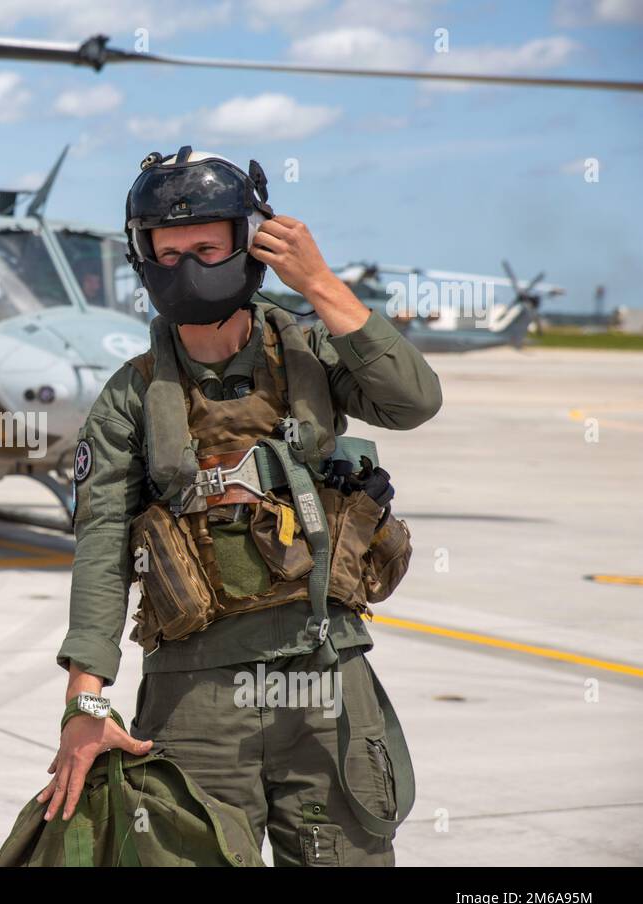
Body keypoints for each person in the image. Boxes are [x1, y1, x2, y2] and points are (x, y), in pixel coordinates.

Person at [39, 147, 443, 866]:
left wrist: (318, 283)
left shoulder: (314, 354)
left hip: (323, 677)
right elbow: (102, 552)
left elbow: (413, 401)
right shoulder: (130, 399)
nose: (186, 267)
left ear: (248, 246)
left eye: (205, 248)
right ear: (143, 258)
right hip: (194, 693)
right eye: (167, 252)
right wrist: (85, 705)